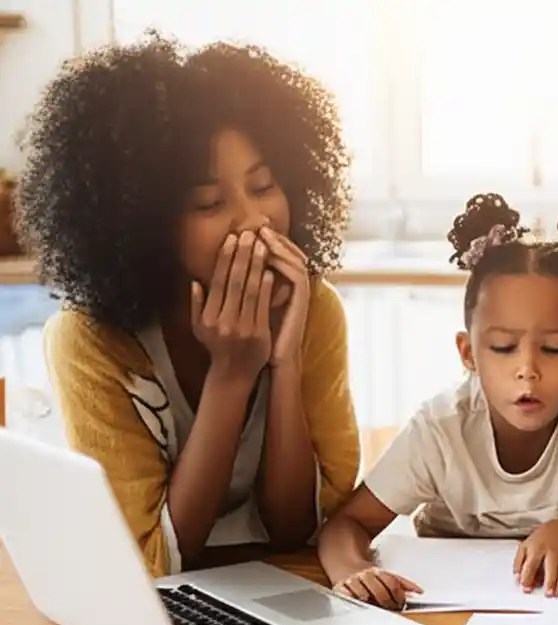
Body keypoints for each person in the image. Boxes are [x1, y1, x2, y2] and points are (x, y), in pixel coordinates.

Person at [17, 34, 360, 576]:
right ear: (146, 224)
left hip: (261, 583)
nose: (254, 221)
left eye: (265, 185)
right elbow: (153, 560)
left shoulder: (312, 308)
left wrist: (285, 360)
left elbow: (302, 528)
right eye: (209, 203)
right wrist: (232, 371)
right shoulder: (88, 339)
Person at [317, 194, 558, 609]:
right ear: (468, 354)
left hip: (554, 607)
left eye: (553, 349)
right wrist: (353, 570)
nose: (527, 369)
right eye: (502, 347)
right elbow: (347, 523)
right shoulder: (442, 426)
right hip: (445, 606)